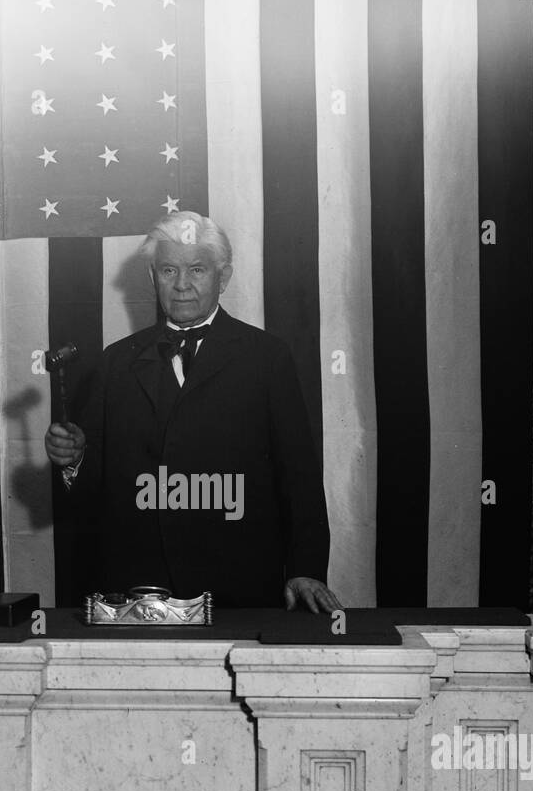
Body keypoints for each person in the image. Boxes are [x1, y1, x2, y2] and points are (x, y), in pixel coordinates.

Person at [44, 212, 340, 612]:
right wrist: (76, 460)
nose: (182, 285)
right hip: (136, 592)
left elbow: (299, 476)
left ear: (224, 276)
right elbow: (88, 498)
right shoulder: (114, 363)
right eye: (169, 270)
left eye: (197, 269)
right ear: (152, 277)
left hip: (239, 588)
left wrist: (306, 568)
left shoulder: (268, 358)